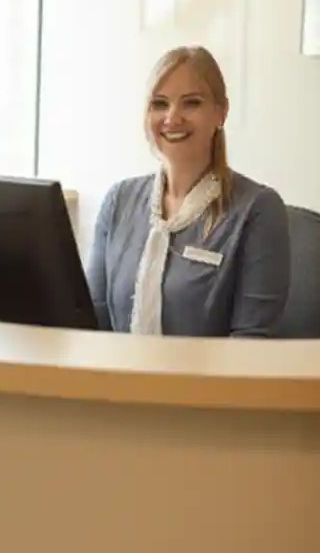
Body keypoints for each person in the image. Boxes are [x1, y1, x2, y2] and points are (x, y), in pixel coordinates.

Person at [85, 46, 290, 337]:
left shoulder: (257, 210)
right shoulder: (118, 200)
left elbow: (251, 343)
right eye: (159, 104)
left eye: (191, 103)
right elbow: (92, 324)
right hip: (119, 378)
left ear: (221, 112)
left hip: (208, 382)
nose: (172, 118)